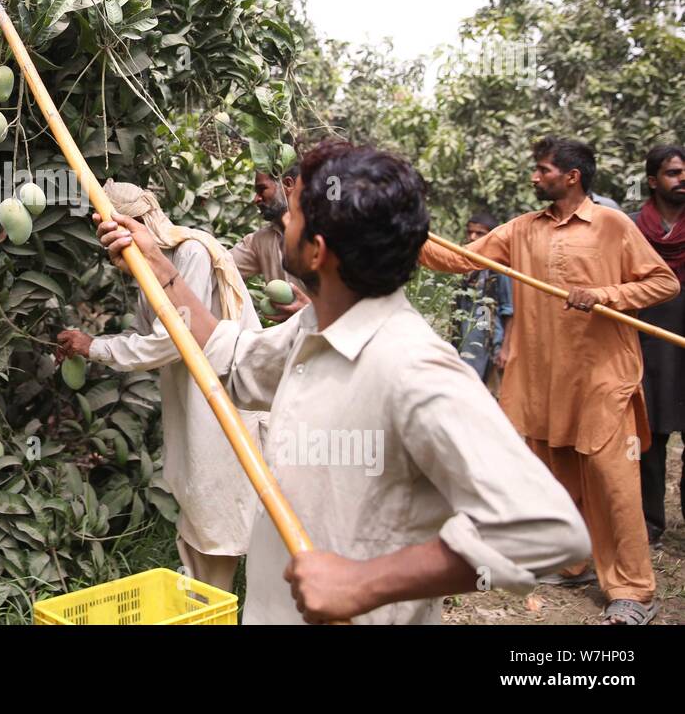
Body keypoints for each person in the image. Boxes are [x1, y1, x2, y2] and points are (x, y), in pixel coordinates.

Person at [93, 140, 590, 624]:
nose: (284, 218)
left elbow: (546, 528)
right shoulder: (311, 332)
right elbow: (233, 356)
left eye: (297, 211)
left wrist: (364, 582)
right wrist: (158, 265)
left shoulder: (410, 366)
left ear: (318, 252)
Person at [420, 136, 680, 625]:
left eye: (542, 170)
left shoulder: (612, 224)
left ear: (572, 176)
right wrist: (403, 232)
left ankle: (634, 591)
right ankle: (574, 563)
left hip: (604, 378)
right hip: (545, 380)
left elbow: (663, 282)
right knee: (555, 477)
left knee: (613, 485)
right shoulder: (521, 229)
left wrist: (605, 294)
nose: (535, 178)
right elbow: (460, 259)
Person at [55, 180, 266, 593]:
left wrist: (94, 346)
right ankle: (207, 603)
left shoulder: (191, 253)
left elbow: (175, 338)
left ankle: (221, 603)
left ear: (137, 225)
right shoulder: (146, 270)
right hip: (192, 404)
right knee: (200, 502)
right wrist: (92, 346)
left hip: (224, 399)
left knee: (218, 505)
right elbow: (144, 336)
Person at [631, 145, 685, 548]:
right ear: (653, 181)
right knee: (650, 439)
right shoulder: (631, 229)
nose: (681, 179)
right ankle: (650, 524)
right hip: (648, 345)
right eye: (673, 173)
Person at [230, 167, 309, 322]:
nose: (256, 199)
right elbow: (220, 264)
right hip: (291, 342)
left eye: (262, 189)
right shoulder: (260, 241)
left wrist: (310, 313)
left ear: (287, 184)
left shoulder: (326, 229)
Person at [451, 212, 513, 394]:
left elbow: (508, 309)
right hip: (464, 336)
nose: (472, 237)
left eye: (479, 234)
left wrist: (504, 348)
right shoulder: (464, 266)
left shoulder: (498, 268)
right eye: (470, 232)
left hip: (488, 337)